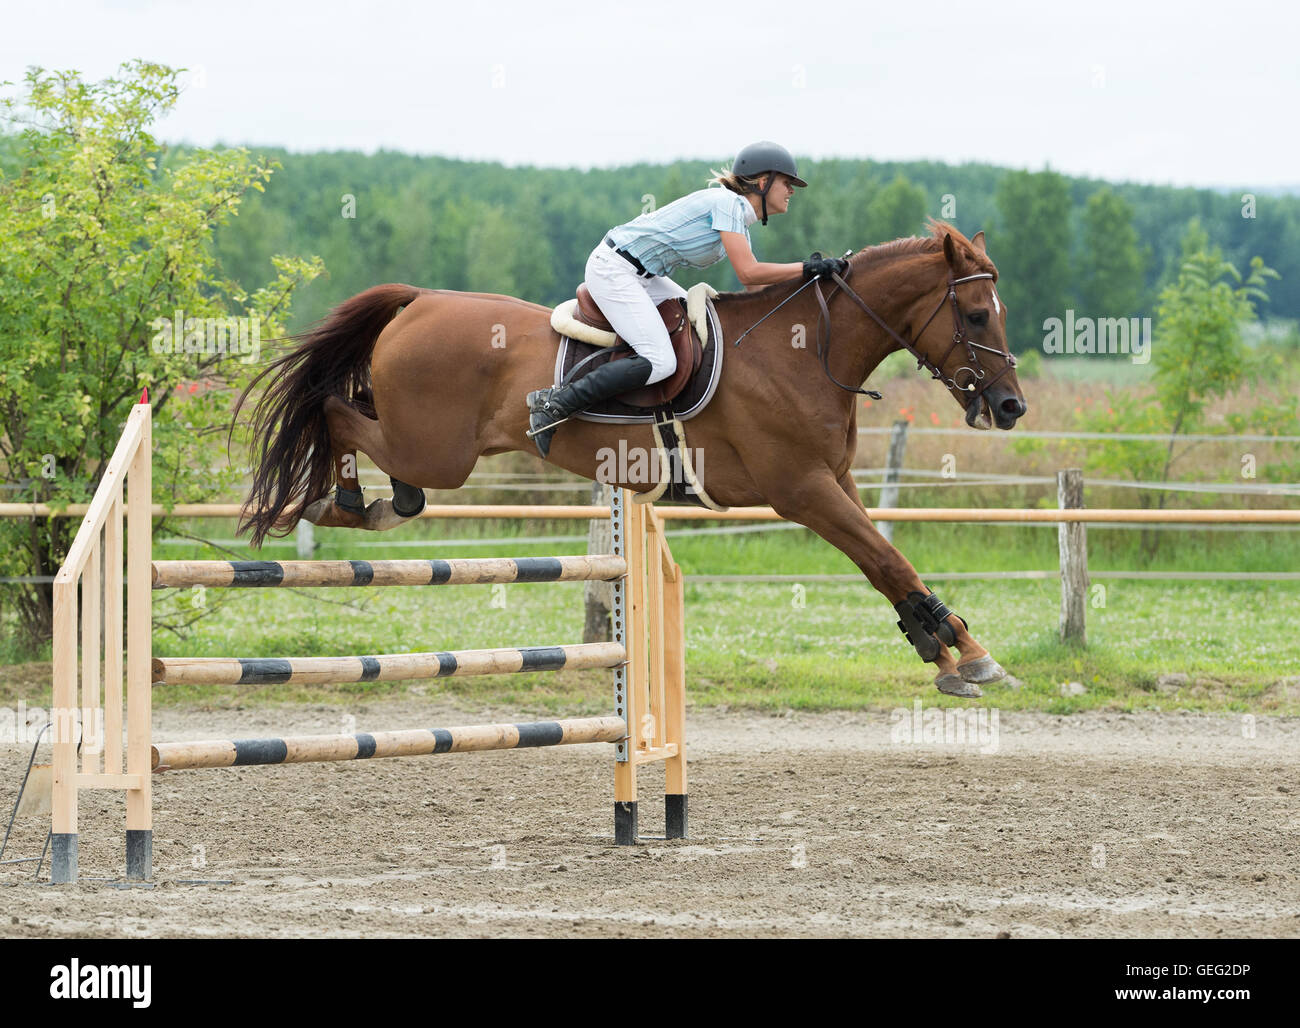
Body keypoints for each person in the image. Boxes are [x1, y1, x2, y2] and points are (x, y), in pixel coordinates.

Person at [526, 140, 848, 457]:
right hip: (614, 269)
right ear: (763, 183)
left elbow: (754, 292)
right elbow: (749, 273)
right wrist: (807, 268)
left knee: (703, 327)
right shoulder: (729, 205)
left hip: (643, 276)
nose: (791, 190)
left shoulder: (738, 219)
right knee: (660, 360)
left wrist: (811, 285)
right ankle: (554, 403)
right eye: (787, 183)